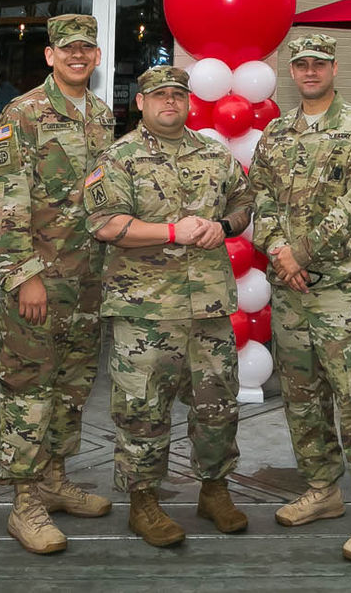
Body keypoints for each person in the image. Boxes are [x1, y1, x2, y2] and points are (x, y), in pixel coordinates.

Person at [249, 33, 351, 563]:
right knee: (301, 396)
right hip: (289, 292)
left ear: (335, 68)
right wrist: (277, 251)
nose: (310, 72)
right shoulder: (276, 133)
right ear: (291, 71)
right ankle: (322, 489)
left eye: (319, 64)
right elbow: (261, 199)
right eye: (301, 65)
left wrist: (299, 255)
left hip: (340, 290)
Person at [84, 65, 254, 549]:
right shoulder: (119, 157)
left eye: (178, 95)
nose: (169, 103)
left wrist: (223, 224)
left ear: (188, 101)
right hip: (146, 311)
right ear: (140, 102)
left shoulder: (214, 154)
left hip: (209, 307)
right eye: (159, 95)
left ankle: (215, 491)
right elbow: (104, 223)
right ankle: (143, 502)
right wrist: (175, 231)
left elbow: (245, 203)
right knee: (143, 409)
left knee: (217, 406)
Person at [0, 13, 116, 555]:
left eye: (87, 49)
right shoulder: (23, 114)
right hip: (40, 279)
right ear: (50, 56)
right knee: (28, 389)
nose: (78, 57)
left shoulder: (104, 118)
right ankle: (24, 503)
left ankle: (54, 481)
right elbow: (4, 200)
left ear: (98, 57)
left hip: (88, 279)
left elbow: (105, 196)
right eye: (68, 50)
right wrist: (23, 277)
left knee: (73, 386)